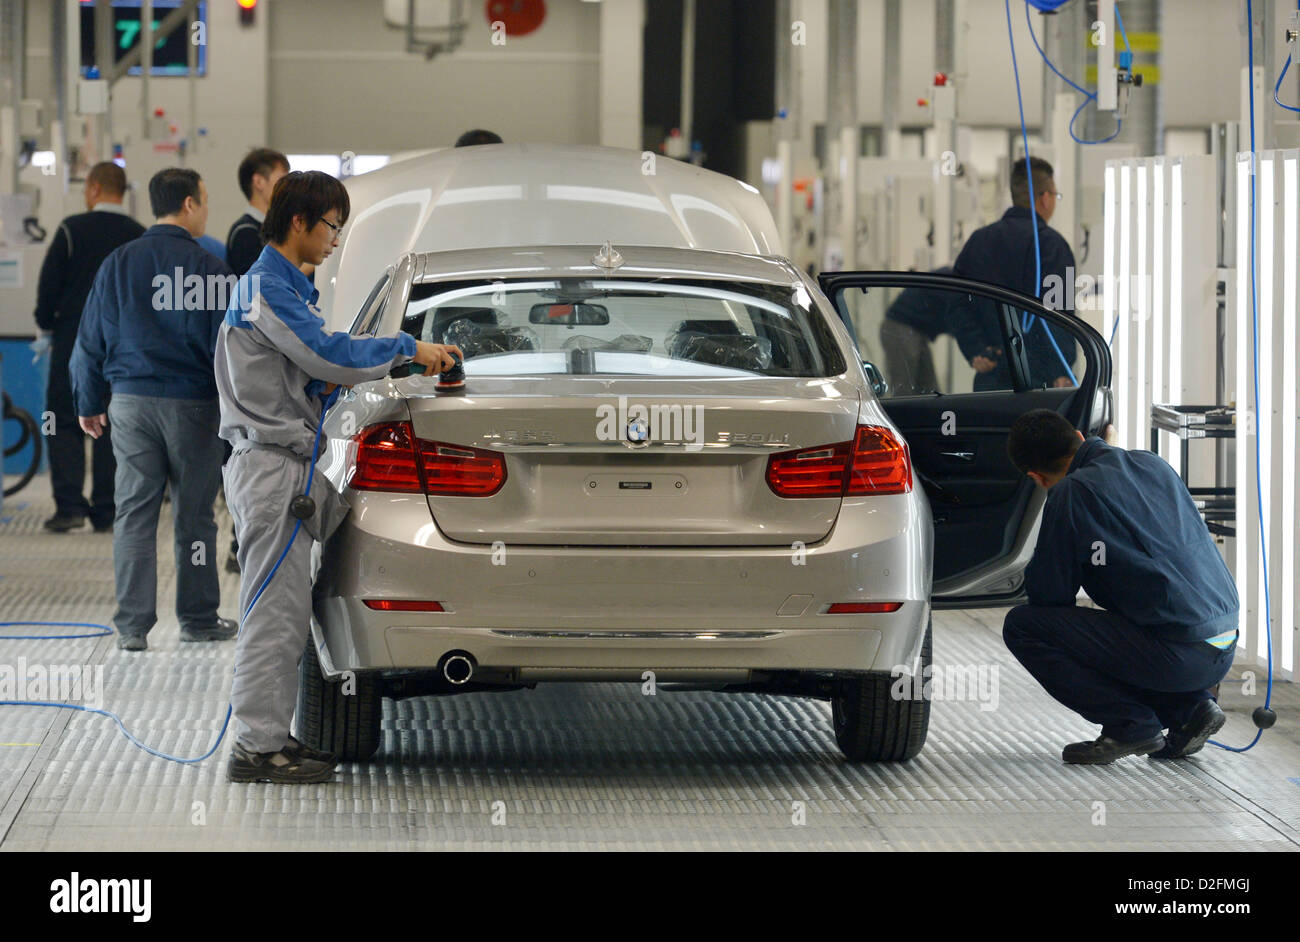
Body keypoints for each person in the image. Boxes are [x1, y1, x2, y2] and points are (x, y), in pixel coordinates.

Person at [216, 171, 458, 783]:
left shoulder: (281, 288)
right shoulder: (269, 287)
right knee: (274, 613)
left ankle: (268, 736)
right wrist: (410, 348)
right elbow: (329, 354)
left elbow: (312, 364)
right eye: (330, 228)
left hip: (282, 466)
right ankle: (256, 747)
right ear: (298, 221)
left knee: (283, 611)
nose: (332, 241)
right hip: (272, 470)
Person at [1001, 409, 1238, 765]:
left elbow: (1051, 596)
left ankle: (1130, 725)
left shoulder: (1069, 493)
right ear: (1080, 436)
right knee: (1131, 626)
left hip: (1179, 656)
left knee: (1024, 626)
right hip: (1224, 640)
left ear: (1037, 477)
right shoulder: (1152, 463)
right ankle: (1189, 710)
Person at [71, 168, 237, 652]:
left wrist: (87, 400)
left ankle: (132, 626)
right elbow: (228, 350)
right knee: (195, 519)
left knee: (134, 515)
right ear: (188, 204)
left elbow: (88, 342)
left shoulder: (118, 264)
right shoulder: (210, 270)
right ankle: (199, 618)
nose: (206, 210)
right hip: (193, 406)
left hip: (129, 403)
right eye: (205, 200)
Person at [33, 162, 145, 533]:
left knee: (61, 420)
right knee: (111, 423)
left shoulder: (70, 230)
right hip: (122, 345)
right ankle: (107, 510)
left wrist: (47, 324)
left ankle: (68, 508)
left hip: (73, 343)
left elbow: (48, 287)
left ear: (94, 188)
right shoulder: (138, 235)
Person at [951, 156, 1077, 392]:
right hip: (1039, 382)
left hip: (990, 379)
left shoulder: (979, 241)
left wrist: (977, 350)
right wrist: (1061, 369)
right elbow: (1059, 313)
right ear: (1046, 198)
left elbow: (958, 302)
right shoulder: (1052, 245)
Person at [879, 266, 954, 395]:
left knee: (929, 387)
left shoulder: (952, 276)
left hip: (915, 329)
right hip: (900, 326)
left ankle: (930, 414)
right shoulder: (952, 281)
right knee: (904, 386)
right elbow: (960, 321)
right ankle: (901, 415)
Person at [225, 147, 289, 276]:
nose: (288, 186)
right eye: (283, 180)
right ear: (259, 182)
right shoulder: (245, 232)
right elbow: (260, 281)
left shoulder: (277, 228)